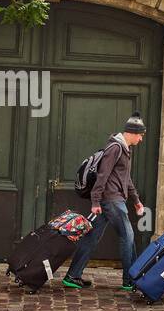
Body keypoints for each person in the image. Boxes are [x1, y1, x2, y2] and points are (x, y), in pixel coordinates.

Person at [62, 110, 147, 291]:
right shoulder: (115, 148)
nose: (141, 139)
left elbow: (126, 179)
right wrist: (95, 202)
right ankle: (129, 280)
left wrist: (136, 200)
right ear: (132, 133)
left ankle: (72, 275)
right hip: (111, 200)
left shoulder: (124, 149)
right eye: (140, 136)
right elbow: (102, 176)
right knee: (128, 236)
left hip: (111, 199)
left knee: (92, 236)